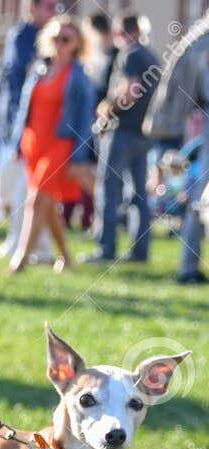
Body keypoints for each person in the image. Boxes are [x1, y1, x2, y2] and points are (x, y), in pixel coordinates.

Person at [7, 14, 97, 274]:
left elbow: (83, 122)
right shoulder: (39, 70)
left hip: (60, 144)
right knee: (46, 206)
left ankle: (20, 260)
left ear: (77, 44)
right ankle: (66, 257)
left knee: (36, 200)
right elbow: (25, 110)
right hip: (34, 142)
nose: (59, 43)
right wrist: (16, 144)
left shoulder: (78, 76)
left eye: (66, 38)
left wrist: (78, 157)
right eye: (56, 37)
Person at [143, 8, 209, 284]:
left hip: (195, 125)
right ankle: (187, 268)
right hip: (199, 126)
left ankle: (188, 266)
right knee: (198, 199)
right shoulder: (201, 42)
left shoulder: (198, 38)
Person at [87, 11, 158, 264]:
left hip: (122, 131)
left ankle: (105, 249)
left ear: (122, 33)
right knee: (139, 196)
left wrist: (106, 107)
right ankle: (140, 252)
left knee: (108, 190)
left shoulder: (131, 54)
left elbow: (130, 91)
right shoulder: (152, 56)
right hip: (144, 134)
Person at [0, 0, 59, 262]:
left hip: (37, 129)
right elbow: (16, 80)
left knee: (28, 189)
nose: (53, 12)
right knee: (5, 189)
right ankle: (18, 239)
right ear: (32, 8)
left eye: (57, 7)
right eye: (48, 6)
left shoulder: (58, 39)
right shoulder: (21, 36)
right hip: (13, 125)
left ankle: (35, 247)